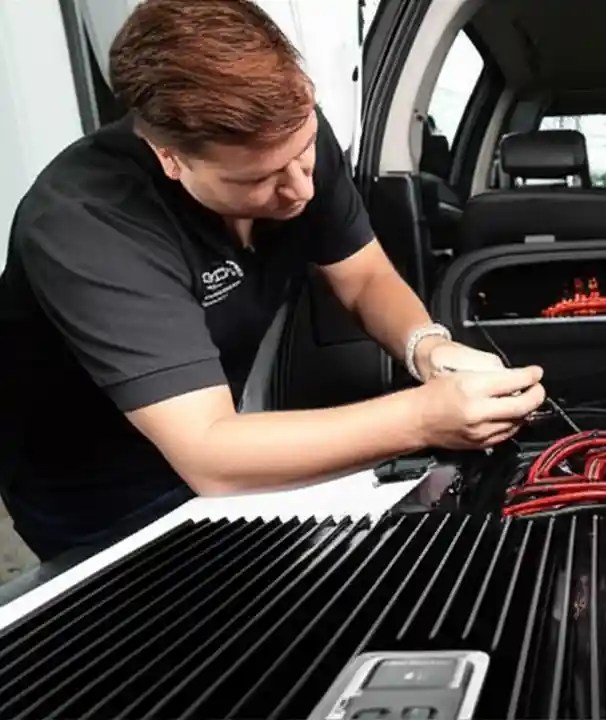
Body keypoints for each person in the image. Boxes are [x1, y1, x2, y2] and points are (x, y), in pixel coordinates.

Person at [0, 0, 546, 561]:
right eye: (257, 179)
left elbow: (362, 275)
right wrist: (425, 417)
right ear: (170, 159)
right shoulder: (88, 221)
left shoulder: (286, 133)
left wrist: (425, 347)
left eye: (304, 152)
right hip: (99, 490)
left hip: (227, 444)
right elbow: (211, 455)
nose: (302, 190)